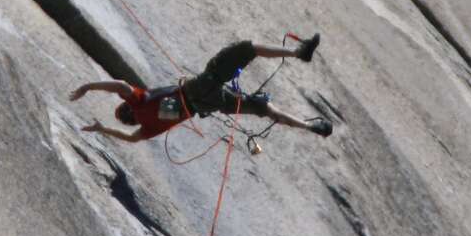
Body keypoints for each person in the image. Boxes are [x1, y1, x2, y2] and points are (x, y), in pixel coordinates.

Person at [70, 35, 331, 142]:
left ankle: (311, 127)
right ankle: (298, 52)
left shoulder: (147, 128)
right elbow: (120, 85)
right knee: (247, 49)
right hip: (198, 87)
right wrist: (87, 86)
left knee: (264, 109)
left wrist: (101, 129)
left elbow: (129, 139)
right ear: (128, 106)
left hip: (207, 105)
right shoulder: (139, 101)